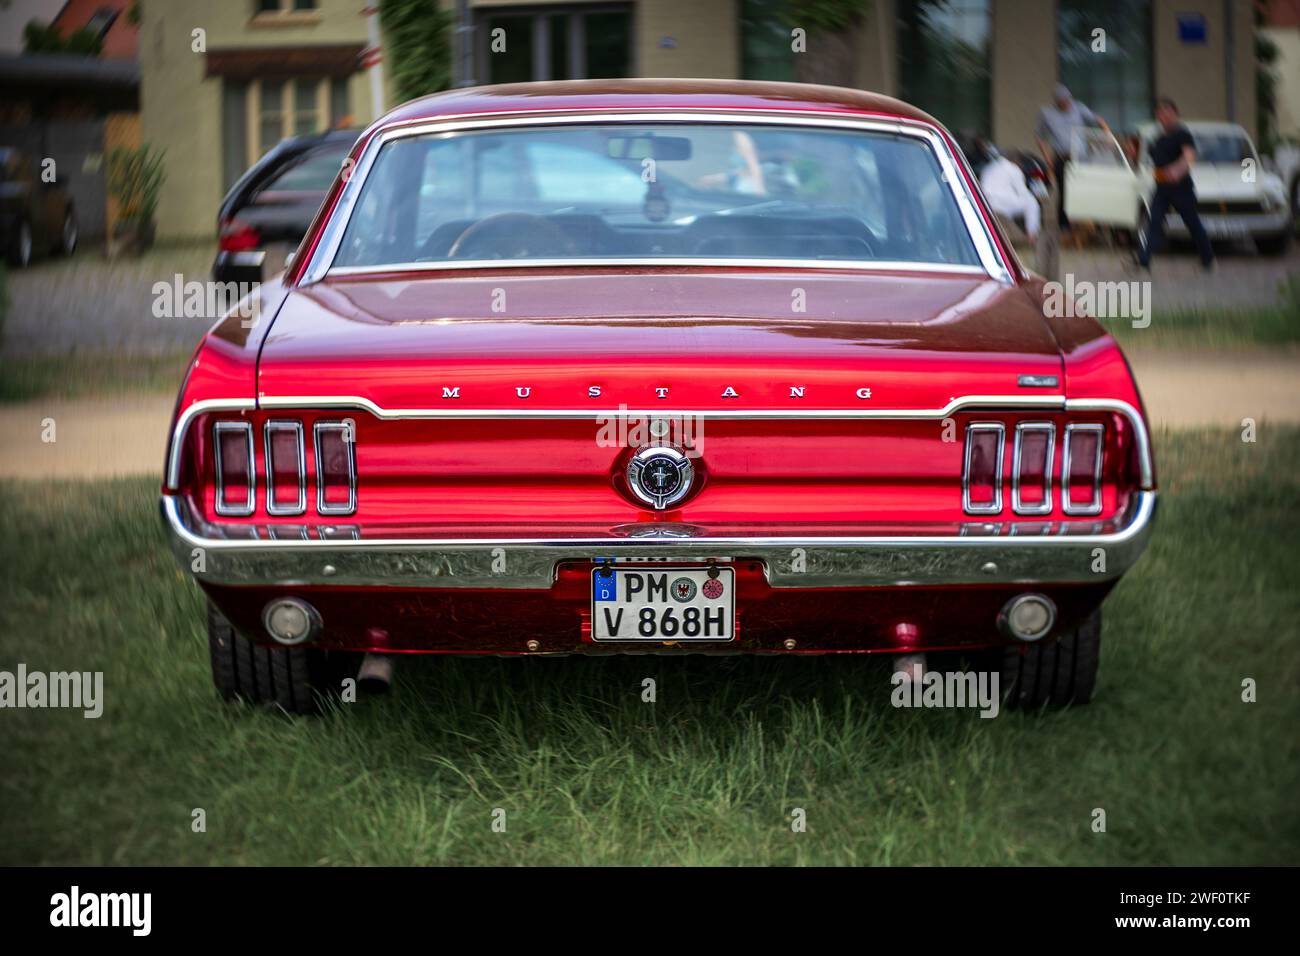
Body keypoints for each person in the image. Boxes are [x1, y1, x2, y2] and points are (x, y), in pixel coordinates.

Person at [1135, 97, 1214, 271]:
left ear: (1174, 114)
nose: (1164, 116)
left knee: (1192, 223)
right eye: (1160, 113)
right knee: (1154, 221)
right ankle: (1144, 260)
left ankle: (1207, 259)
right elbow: (1151, 159)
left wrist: (1177, 171)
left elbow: (1189, 156)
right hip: (1162, 188)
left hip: (1181, 188)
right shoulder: (1158, 138)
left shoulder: (1182, 134)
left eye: (1167, 112)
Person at [1035, 84, 1110, 230]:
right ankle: (1064, 225)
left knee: (1084, 190)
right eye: (1062, 101)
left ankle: (1087, 223)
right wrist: (1047, 157)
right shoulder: (1047, 114)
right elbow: (1040, 137)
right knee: (1065, 191)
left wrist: (1107, 134)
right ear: (1056, 101)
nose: (1066, 103)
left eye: (1067, 100)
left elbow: (1098, 120)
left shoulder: (1079, 108)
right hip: (1062, 158)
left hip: (1082, 158)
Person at [977, 141, 1040, 243]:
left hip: (986, 203)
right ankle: (1031, 235)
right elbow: (1023, 192)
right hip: (1002, 204)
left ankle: (1005, 235)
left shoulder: (989, 167)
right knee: (1031, 202)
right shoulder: (1013, 169)